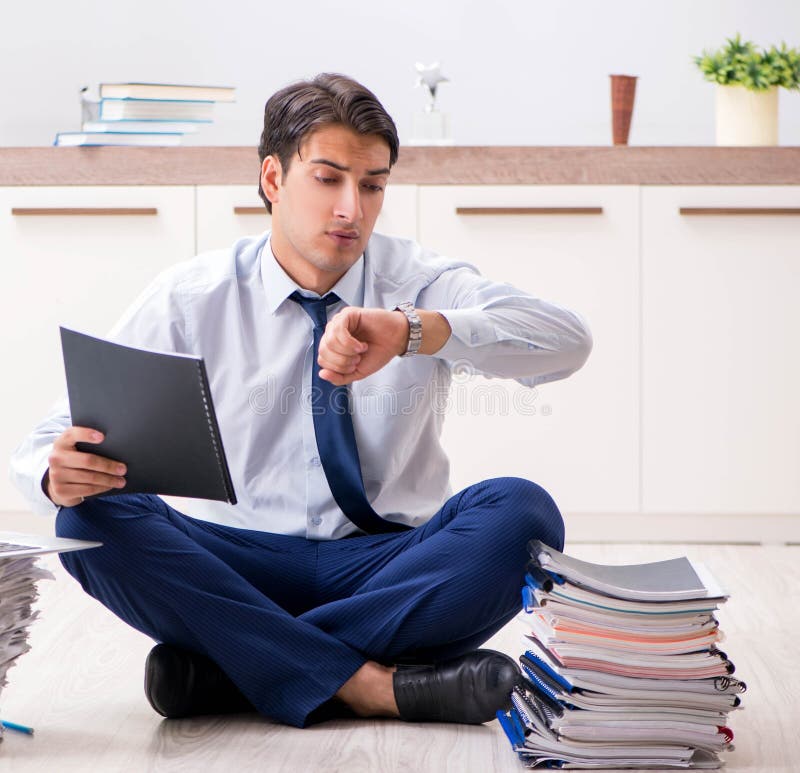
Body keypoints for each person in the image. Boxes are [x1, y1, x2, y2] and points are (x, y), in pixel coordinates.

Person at [9, 73, 591, 728]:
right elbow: (47, 441)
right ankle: (370, 684)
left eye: (371, 185)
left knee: (524, 514)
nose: (351, 209)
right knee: (87, 518)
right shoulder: (193, 297)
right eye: (328, 178)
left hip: (388, 565)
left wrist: (413, 331)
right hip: (236, 563)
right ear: (273, 179)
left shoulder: (421, 283)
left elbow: (567, 341)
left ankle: (238, 666)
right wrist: (59, 474)